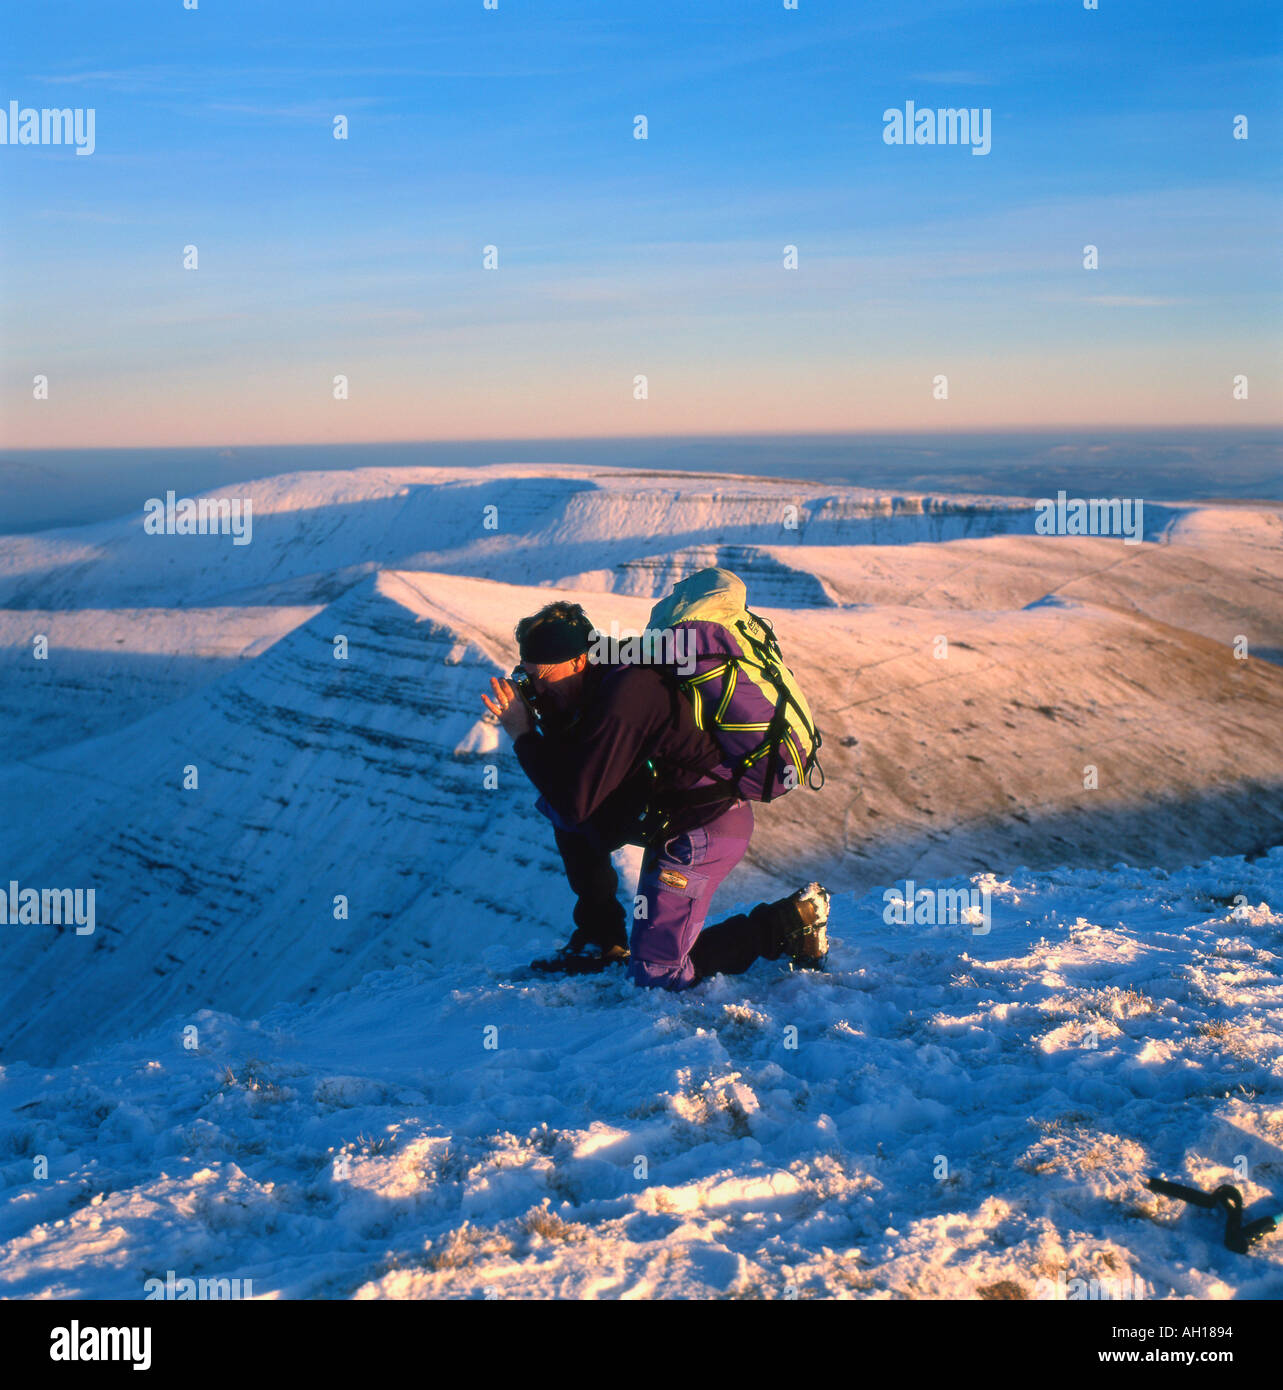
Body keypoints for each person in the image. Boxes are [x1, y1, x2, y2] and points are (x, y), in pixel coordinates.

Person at [480, 600, 830, 990]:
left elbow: (577, 801)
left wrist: (524, 735)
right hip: (667, 815)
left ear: (579, 661)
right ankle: (601, 940)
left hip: (705, 828)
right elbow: (573, 793)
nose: (536, 686)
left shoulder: (628, 692)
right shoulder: (596, 680)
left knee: (656, 976)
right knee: (563, 813)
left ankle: (786, 924)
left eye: (541, 676)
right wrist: (549, 713)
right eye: (526, 676)